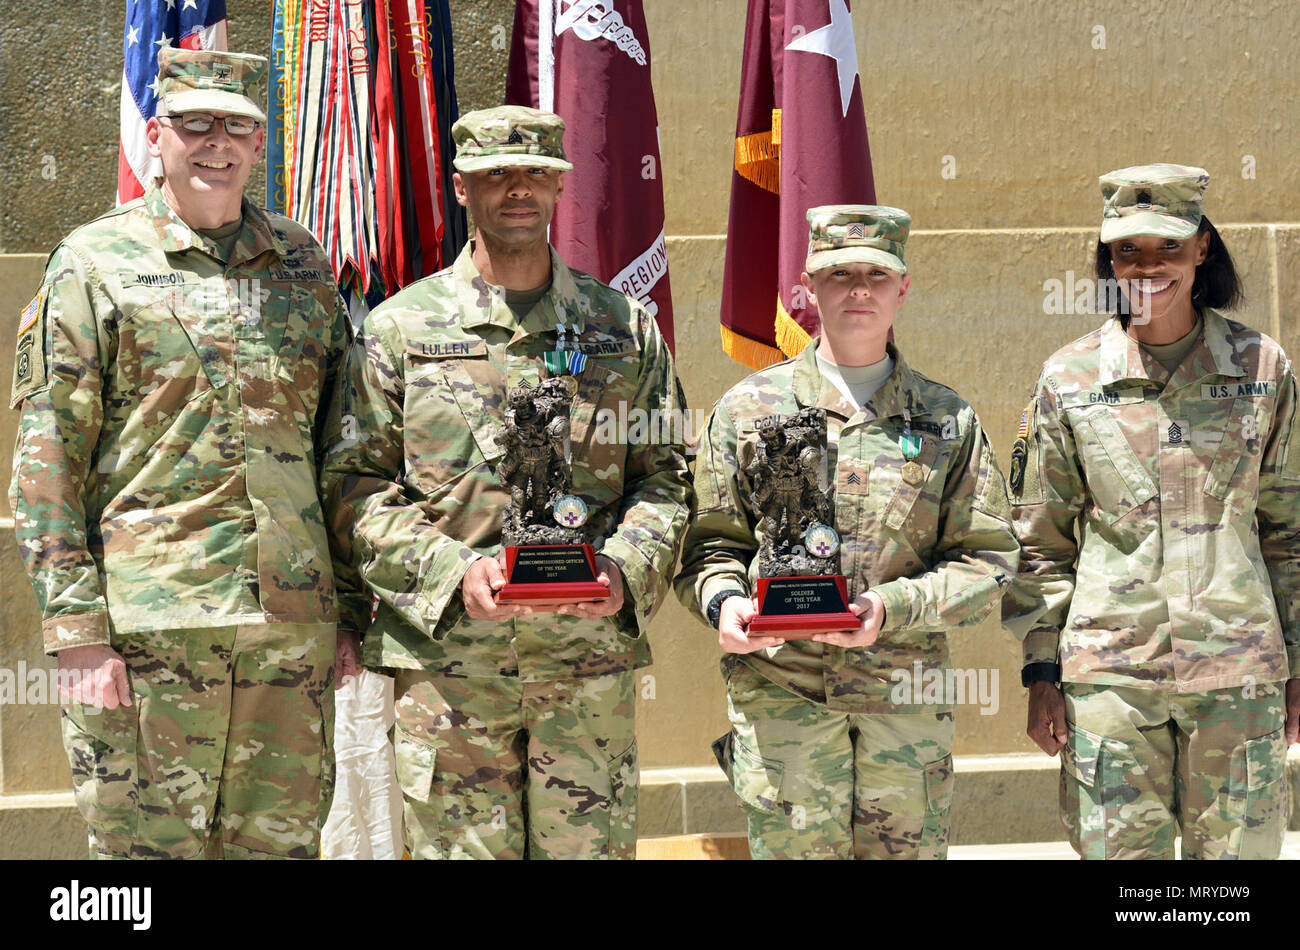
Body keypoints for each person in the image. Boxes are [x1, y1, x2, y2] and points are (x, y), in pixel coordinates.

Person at [8, 48, 359, 859]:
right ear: (157, 133)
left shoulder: (303, 267)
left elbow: (342, 446)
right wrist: (76, 630)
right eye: (196, 123)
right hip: (150, 632)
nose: (216, 143)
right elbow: (46, 454)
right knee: (143, 862)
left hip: (291, 631)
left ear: (259, 142)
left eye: (236, 126)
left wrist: (349, 606)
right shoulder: (94, 263)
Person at [320, 105, 691, 860]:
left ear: (561, 188)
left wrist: (626, 569)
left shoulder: (621, 328)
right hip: (453, 673)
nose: (516, 190)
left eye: (535, 175)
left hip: (584, 666)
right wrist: (454, 573)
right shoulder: (400, 332)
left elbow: (668, 478)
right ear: (461, 187)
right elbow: (355, 488)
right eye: (495, 175)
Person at [675, 205, 1019, 859]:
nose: (858, 290)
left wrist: (889, 608)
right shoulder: (749, 412)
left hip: (905, 708)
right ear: (809, 285)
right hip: (785, 702)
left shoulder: (948, 420)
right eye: (839, 275)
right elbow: (708, 545)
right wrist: (724, 603)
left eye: (875, 275)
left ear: (902, 288)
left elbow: (990, 560)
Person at [1002, 163, 1300, 860]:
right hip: (1111, 681)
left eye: (1168, 246)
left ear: (1202, 249)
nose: (1148, 266)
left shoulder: (1262, 368)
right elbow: (1041, 542)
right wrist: (1041, 675)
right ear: (1108, 260)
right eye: (1127, 249)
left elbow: (1290, 530)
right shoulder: (1070, 379)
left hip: (1238, 673)